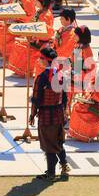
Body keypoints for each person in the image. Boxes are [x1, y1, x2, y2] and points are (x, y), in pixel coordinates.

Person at [30, 45, 69, 179]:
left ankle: (51, 173)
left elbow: (36, 98)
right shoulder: (61, 75)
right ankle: (64, 165)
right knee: (58, 140)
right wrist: (64, 112)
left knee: (48, 144)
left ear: (47, 60)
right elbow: (65, 97)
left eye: (41, 58)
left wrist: (32, 114)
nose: (39, 60)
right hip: (59, 112)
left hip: (46, 114)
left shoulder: (41, 78)